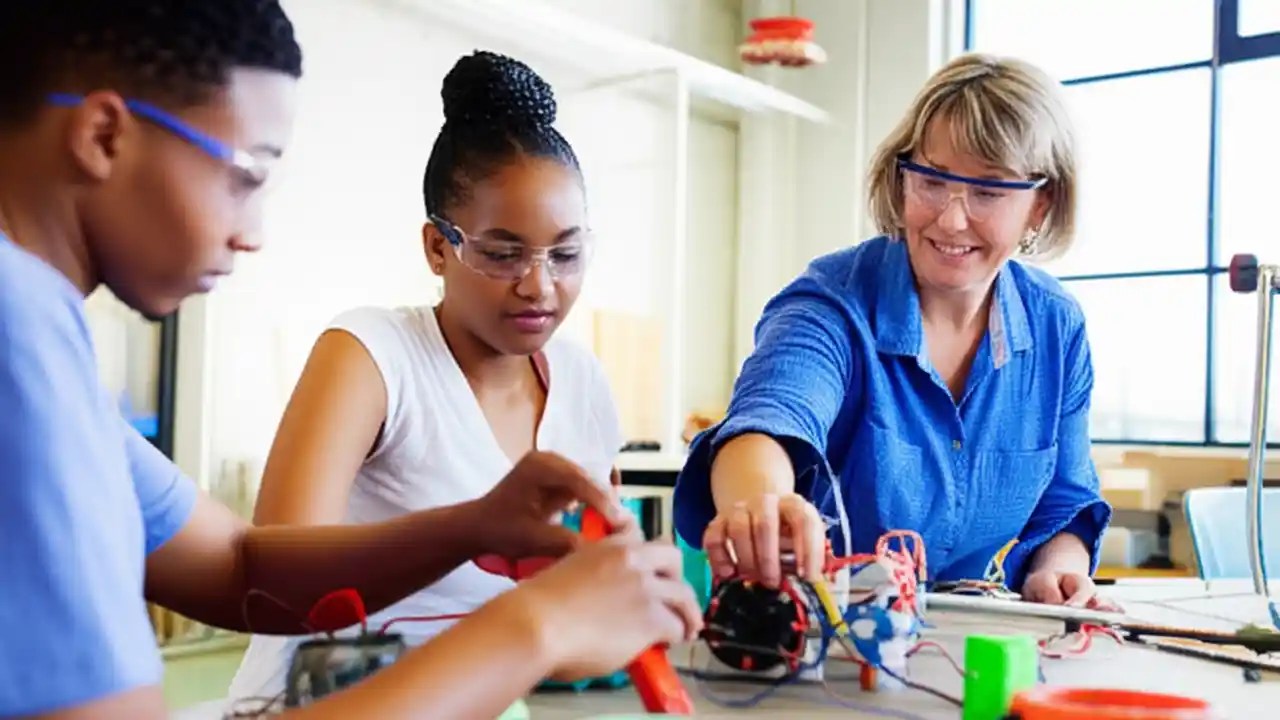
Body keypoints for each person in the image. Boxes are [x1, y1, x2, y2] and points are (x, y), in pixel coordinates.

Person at [0, 3, 700, 719]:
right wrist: (539, 624)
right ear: (102, 135)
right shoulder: (16, 341)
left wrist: (475, 524)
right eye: (246, 176)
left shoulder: (49, 348)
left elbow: (241, 569)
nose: (254, 232)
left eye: (566, 252)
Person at [229, 49, 626, 699]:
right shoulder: (371, 356)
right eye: (503, 254)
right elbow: (279, 588)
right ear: (438, 247)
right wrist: (538, 627)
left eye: (567, 253)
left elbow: (597, 603)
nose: (540, 285)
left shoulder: (583, 385)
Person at [671, 52, 1112, 607]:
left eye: (989, 192)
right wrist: (759, 503)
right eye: (931, 180)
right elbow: (771, 416)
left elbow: (1066, 503)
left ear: (1040, 205)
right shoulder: (833, 302)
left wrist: (1059, 568)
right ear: (900, 175)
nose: (951, 219)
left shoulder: (1057, 327)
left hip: (971, 643)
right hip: (828, 637)